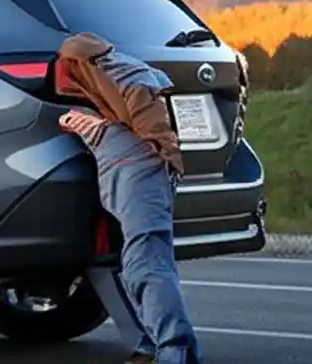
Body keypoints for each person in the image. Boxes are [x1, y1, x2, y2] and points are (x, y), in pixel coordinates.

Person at [54, 32, 202, 364]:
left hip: (139, 167)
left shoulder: (121, 74)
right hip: (138, 168)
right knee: (133, 263)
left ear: (78, 64)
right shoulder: (121, 69)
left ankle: (173, 351)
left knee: (144, 264)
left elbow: (147, 121)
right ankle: (172, 349)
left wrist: (115, 136)